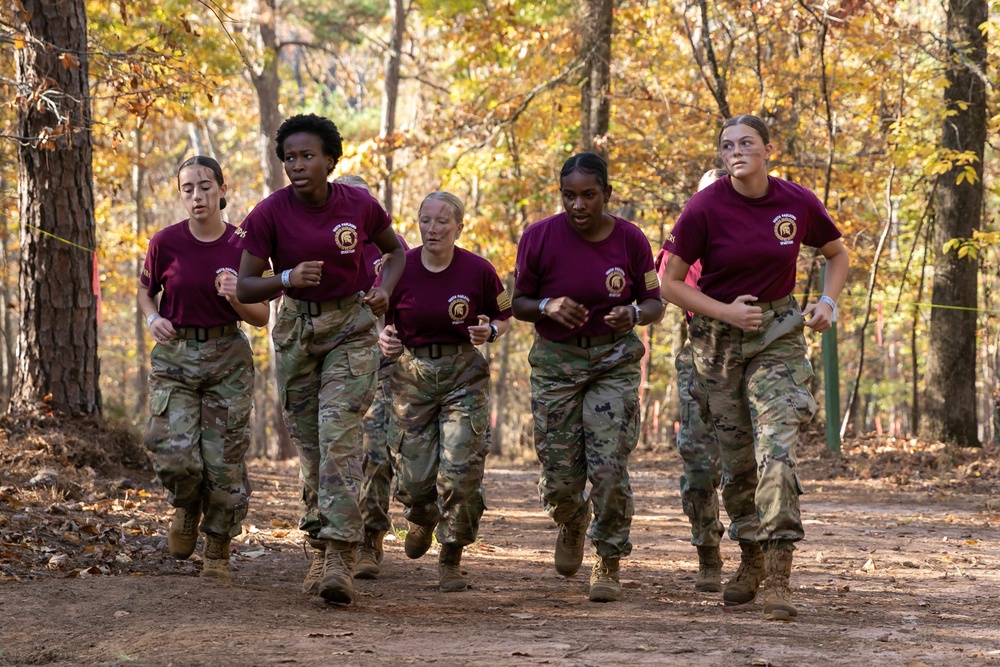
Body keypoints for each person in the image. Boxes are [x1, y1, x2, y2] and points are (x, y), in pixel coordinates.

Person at [660, 114, 848, 621]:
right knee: (737, 464)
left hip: (777, 333)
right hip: (717, 341)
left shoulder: (796, 201)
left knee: (777, 449)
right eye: (727, 146)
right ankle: (750, 558)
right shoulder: (704, 207)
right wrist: (723, 311)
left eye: (746, 143)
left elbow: (836, 252)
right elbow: (669, 283)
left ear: (768, 149)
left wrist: (827, 302)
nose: (736, 151)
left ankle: (780, 572)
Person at [234, 114, 405, 605]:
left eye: (307, 156)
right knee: (310, 449)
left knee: (339, 437)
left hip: (350, 328)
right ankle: (319, 543)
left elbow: (395, 255)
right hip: (297, 333)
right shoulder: (267, 214)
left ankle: (340, 554)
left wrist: (383, 291)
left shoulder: (360, 204)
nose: (297, 165)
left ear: (331, 160)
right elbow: (246, 285)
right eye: (289, 157)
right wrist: (286, 279)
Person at [512, 152, 664, 603]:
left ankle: (608, 558)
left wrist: (633, 312)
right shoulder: (538, 237)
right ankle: (571, 518)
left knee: (608, 464)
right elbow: (518, 301)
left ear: (606, 194)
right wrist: (547, 306)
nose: (578, 205)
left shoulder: (631, 240)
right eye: (569, 196)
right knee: (560, 475)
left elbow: (656, 303)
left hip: (612, 362)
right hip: (557, 364)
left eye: (588, 195)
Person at [139, 155, 270, 580]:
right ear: (181, 195)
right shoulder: (165, 242)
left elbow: (261, 316)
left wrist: (236, 295)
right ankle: (186, 504)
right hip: (175, 356)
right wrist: (151, 317)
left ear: (222, 189)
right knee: (174, 454)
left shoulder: (243, 245)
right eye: (188, 188)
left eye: (206, 186)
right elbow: (145, 291)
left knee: (223, 461)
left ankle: (217, 545)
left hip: (226, 359)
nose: (198, 195)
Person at [378, 191, 512, 592]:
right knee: (414, 481)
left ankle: (451, 555)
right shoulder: (399, 267)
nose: (432, 229)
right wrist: (383, 337)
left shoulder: (479, 270)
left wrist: (489, 330)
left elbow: (504, 317)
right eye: (425, 220)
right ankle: (420, 514)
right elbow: (377, 316)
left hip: (462, 375)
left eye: (441, 221)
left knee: (461, 472)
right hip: (411, 375)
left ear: (459, 227)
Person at [331, 174, 409, 580]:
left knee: (377, 453)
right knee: (339, 453)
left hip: (386, 369)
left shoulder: (392, 252)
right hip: (334, 368)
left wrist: (396, 335)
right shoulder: (324, 247)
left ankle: (371, 539)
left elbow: (417, 302)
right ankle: (333, 539)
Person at [654, 168, 728, 593]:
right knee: (699, 465)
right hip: (702, 355)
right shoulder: (681, 243)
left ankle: (756, 556)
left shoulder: (755, 237)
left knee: (752, 465)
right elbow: (659, 292)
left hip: (758, 354)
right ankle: (707, 552)